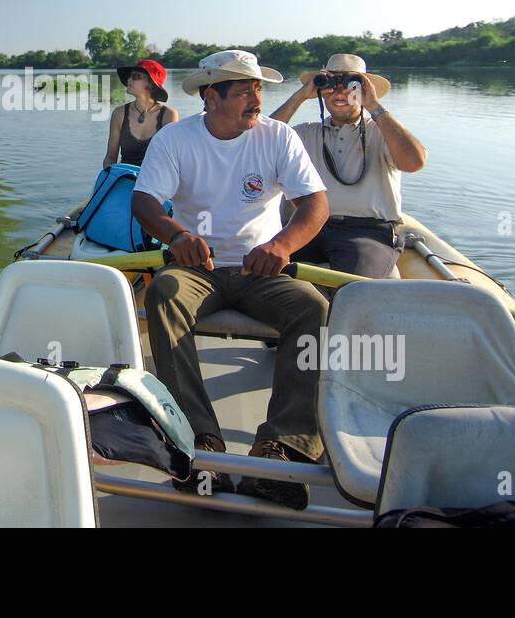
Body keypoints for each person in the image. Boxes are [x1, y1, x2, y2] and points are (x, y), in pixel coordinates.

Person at [131, 49, 330, 508]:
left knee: (313, 308)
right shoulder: (175, 140)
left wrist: (281, 246)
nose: (255, 98)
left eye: (258, 88)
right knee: (163, 292)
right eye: (243, 90)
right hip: (195, 269)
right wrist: (177, 235)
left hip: (258, 268)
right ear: (210, 96)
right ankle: (198, 442)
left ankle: (284, 448)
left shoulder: (278, 138)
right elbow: (144, 202)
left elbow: (315, 205)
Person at [268, 53, 427, 279]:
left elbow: (414, 162)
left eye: (352, 85)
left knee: (354, 286)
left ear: (364, 89)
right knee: (264, 270)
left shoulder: (383, 131)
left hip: (367, 232)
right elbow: (258, 142)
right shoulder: (306, 133)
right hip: (309, 226)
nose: (341, 92)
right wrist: (300, 96)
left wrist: (373, 105)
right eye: (331, 84)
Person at [103, 59, 178, 168]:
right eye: (130, 76)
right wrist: (111, 174)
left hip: (155, 180)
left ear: (151, 84)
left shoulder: (169, 115)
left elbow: (171, 160)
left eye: (135, 77)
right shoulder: (119, 113)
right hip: (125, 178)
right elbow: (110, 157)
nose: (129, 80)